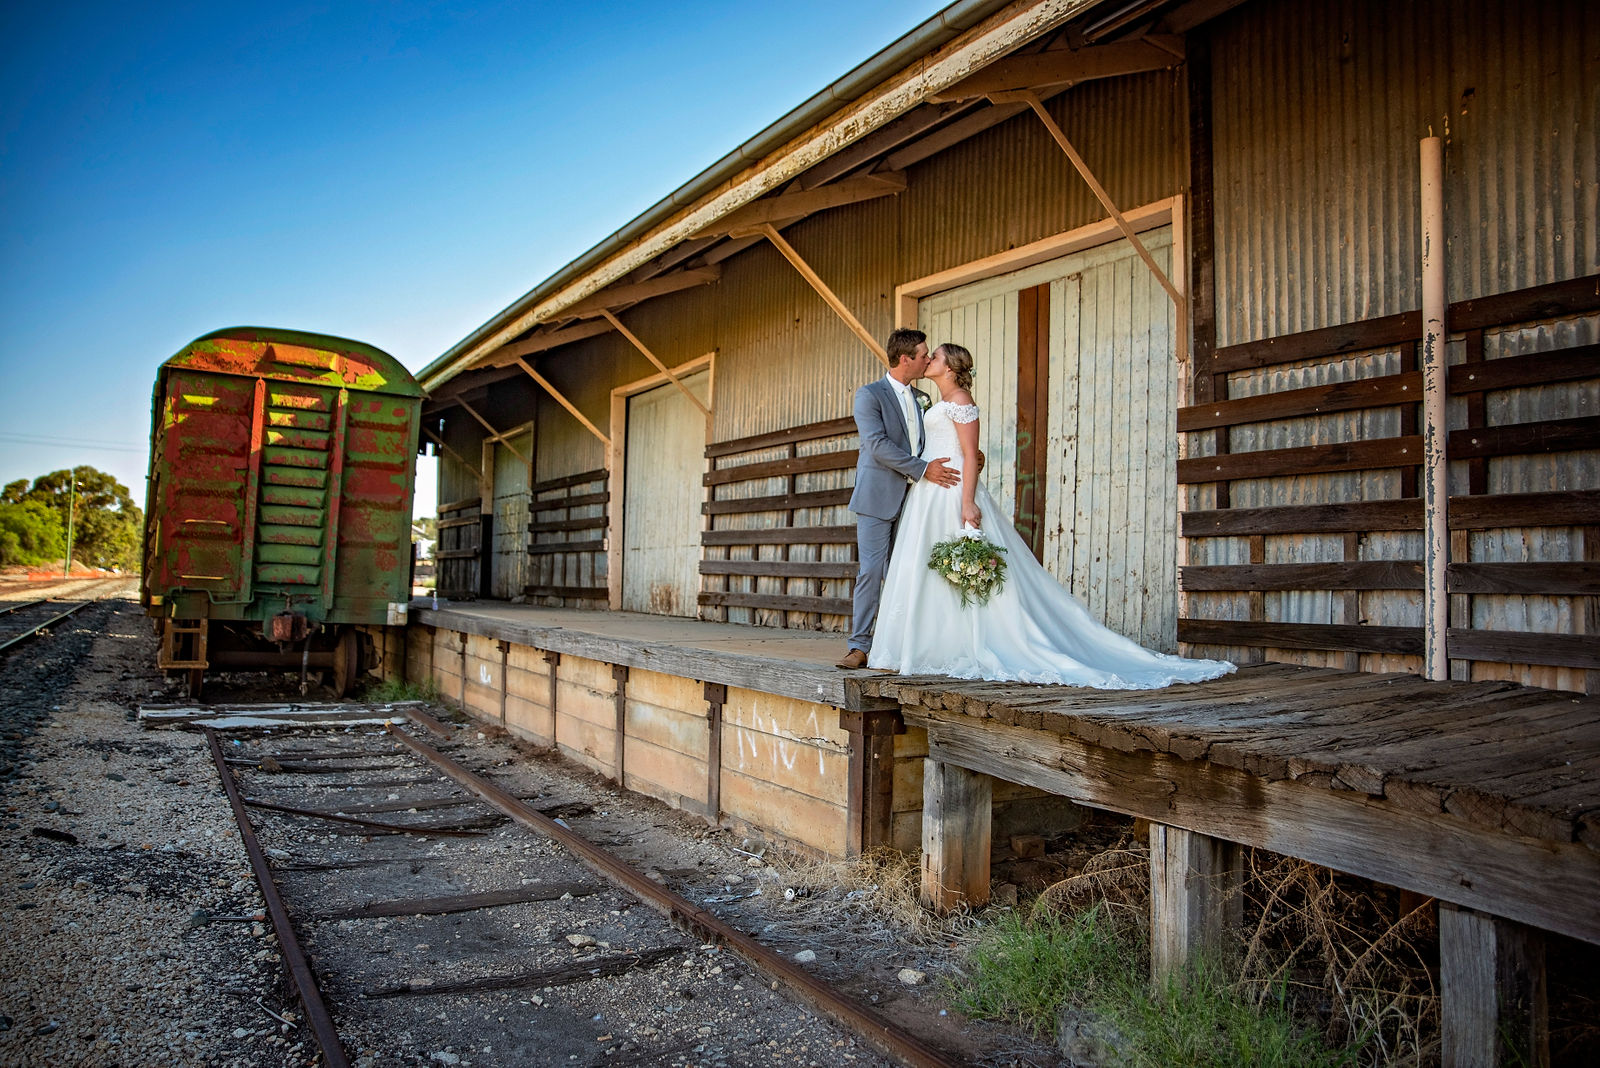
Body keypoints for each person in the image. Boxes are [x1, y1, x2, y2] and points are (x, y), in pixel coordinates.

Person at [866, 342, 1235, 688]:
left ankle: (971, 643)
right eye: (926, 356)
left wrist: (968, 502)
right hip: (930, 492)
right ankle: (930, 642)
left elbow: (969, 453)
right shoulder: (935, 399)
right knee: (925, 571)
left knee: (966, 572)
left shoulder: (961, 399)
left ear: (950, 367)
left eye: (936, 357)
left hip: (953, 491)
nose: (928, 360)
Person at [836, 328, 960, 670]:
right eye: (923, 355)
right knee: (872, 570)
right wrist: (922, 469)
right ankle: (859, 646)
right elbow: (876, 445)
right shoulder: (869, 395)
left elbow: (936, 442)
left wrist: (968, 455)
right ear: (905, 359)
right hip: (878, 496)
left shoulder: (924, 398)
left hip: (917, 499)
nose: (927, 360)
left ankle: (905, 645)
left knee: (910, 572)